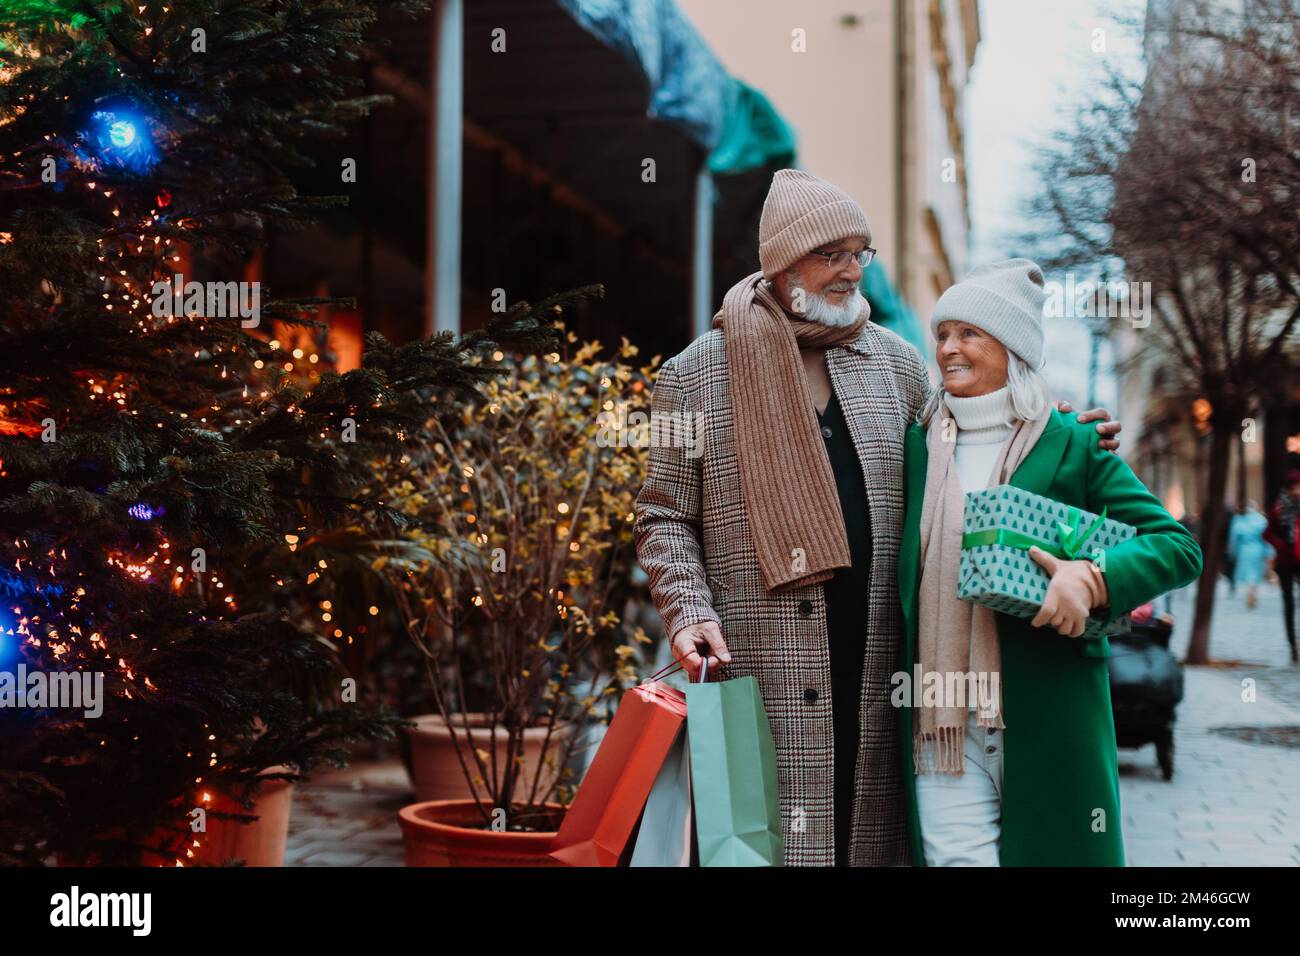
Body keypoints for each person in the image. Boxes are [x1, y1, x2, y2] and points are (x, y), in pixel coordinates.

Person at [633, 170, 1121, 866]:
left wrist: (1067, 429)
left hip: (880, 664)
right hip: (756, 662)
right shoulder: (693, 374)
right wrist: (688, 611)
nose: (850, 270)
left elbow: (976, 442)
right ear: (782, 261)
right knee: (760, 845)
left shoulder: (897, 365)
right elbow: (663, 514)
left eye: (860, 252)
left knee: (867, 844)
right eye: (831, 253)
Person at [895, 259, 1202, 866]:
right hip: (941, 721)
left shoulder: (1073, 441)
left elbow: (1176, 544)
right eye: (942, 334)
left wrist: (1094, 577)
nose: (948, 349)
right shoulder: (914, 447)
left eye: (968, 333)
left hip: (1049, 710)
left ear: (1011, 347)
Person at [1264, 471, 1300, 663]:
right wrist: (1281, 546)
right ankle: (1293, 646)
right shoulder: (1280, 507)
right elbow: (1267, 533)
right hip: (1286, 561)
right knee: (1289, 603)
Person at [1227, 502, 1269, 609]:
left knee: (1248, 573)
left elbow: (1234, 538)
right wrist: (1268, 552)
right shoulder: (1261, 520)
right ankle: (1253, 591)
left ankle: (1250, 591)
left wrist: (1233, 552)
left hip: (1244, 550)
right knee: (1255, 573)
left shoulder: (1240, 520)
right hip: (1259, 550)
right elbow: (1267, 538)